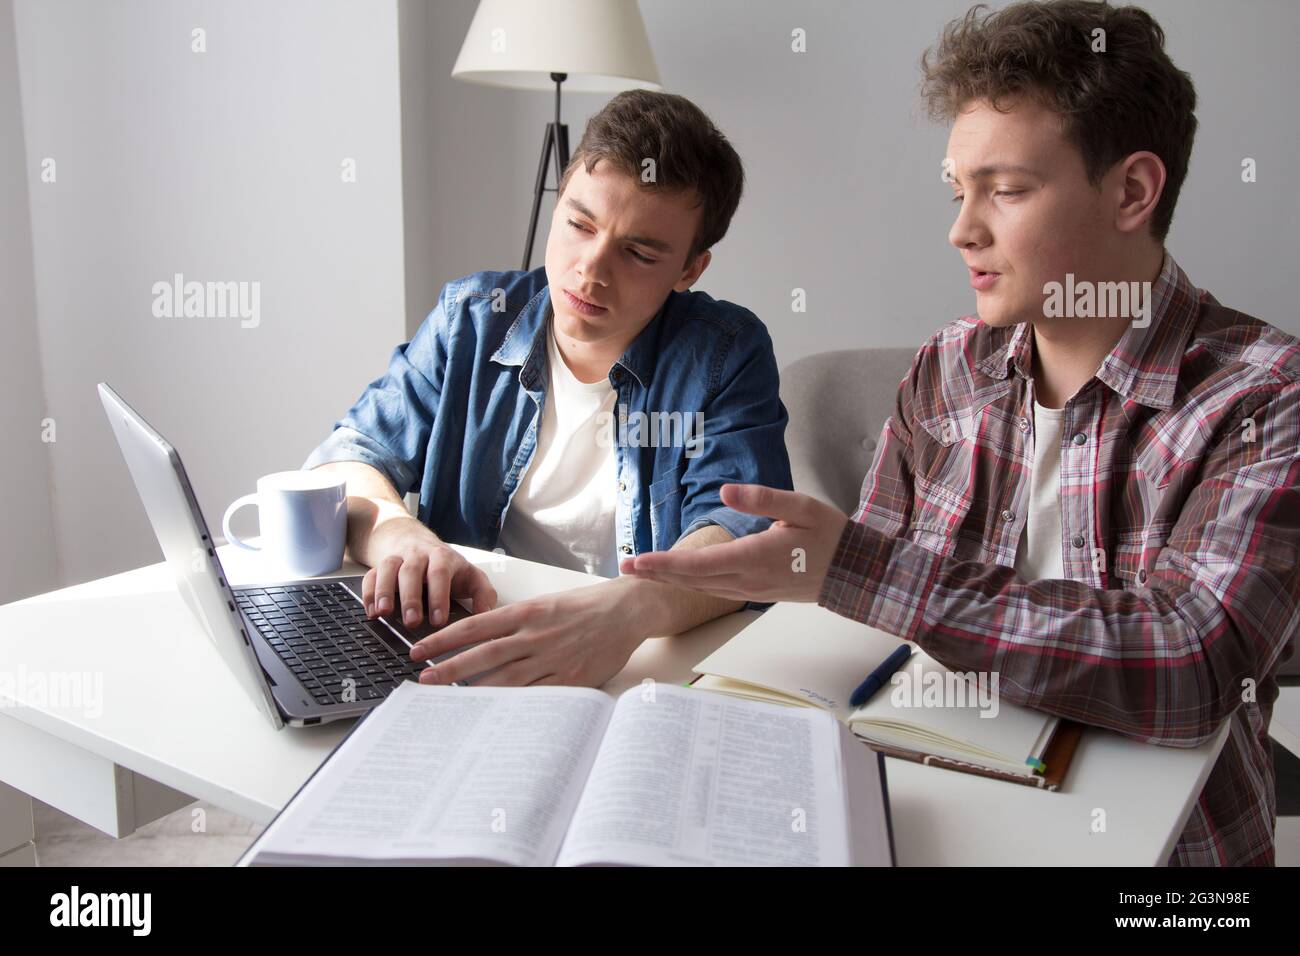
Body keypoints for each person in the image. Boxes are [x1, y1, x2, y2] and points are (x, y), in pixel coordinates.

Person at [623, 1, 1299, 866]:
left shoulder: (1261, 396)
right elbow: (870, 626)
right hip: (939, 820)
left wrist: (854, 568)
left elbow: (1192, 666)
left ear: (1133, 190)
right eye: (958, 189)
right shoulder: (949, 368)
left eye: (1006, 190)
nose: (961, 229)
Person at [304, 89, 792, 689]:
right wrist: (396, 533)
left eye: (638, 253)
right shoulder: (474, 318)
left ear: (690, 270)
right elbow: (350, 456)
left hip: (636, 671)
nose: (590, 268)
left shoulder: (724, 353)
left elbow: (741, 530)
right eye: (579, 224)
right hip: (461, 655)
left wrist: (629, 609)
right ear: (558, 200)